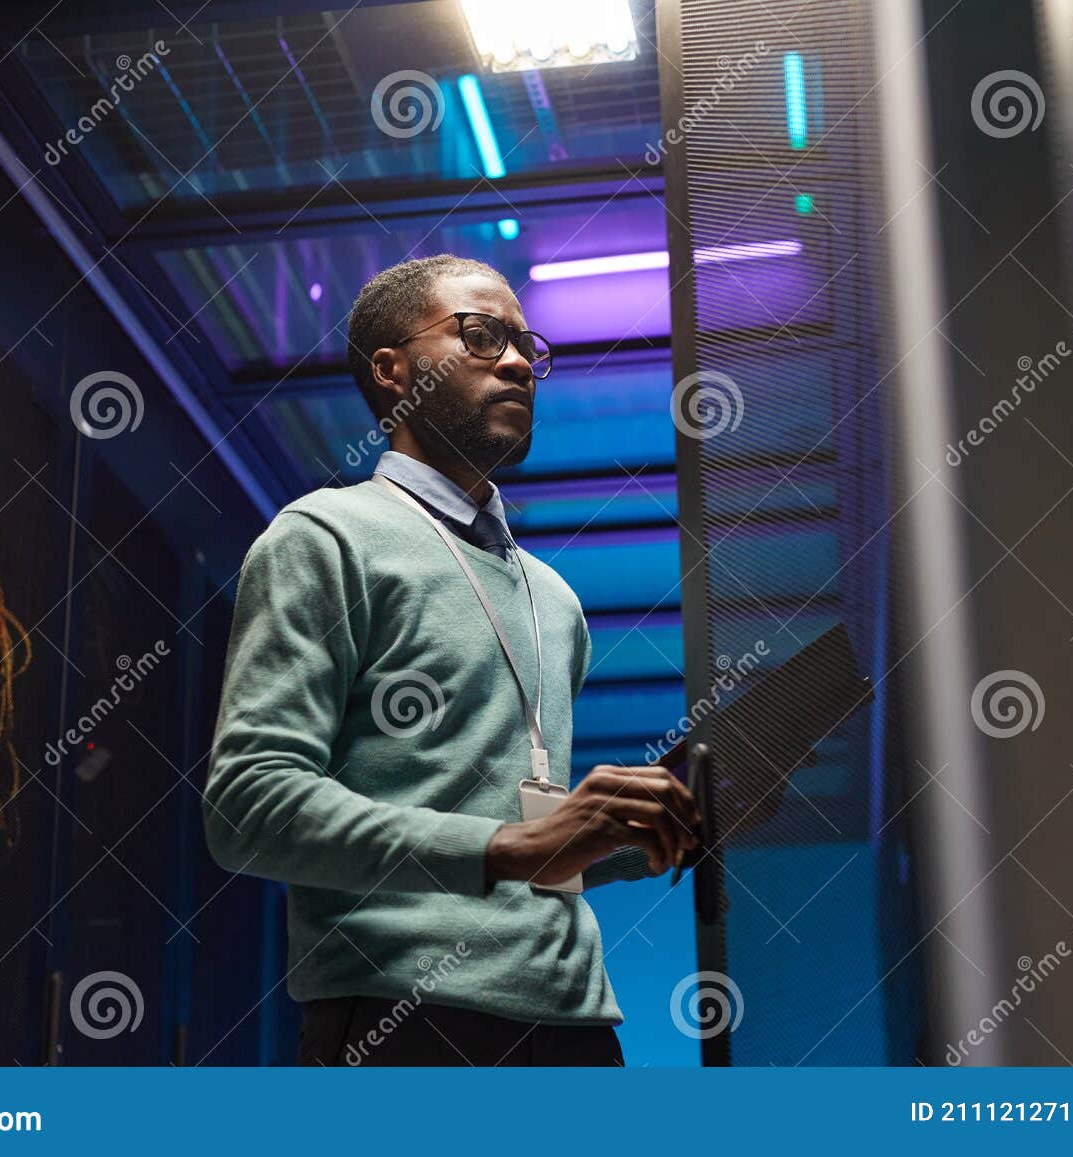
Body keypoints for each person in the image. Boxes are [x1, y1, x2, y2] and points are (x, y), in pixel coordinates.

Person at [204, 254, 701, 1067]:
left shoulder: (556, 601)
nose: (515, 361)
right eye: (479, 335)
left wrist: (629, 832)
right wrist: (507, 844)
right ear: (392, 371)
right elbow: (248, 809)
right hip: (404, 1018)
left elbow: (530, 851)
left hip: (580, 1026)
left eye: (526, 347)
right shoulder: (325, 537)